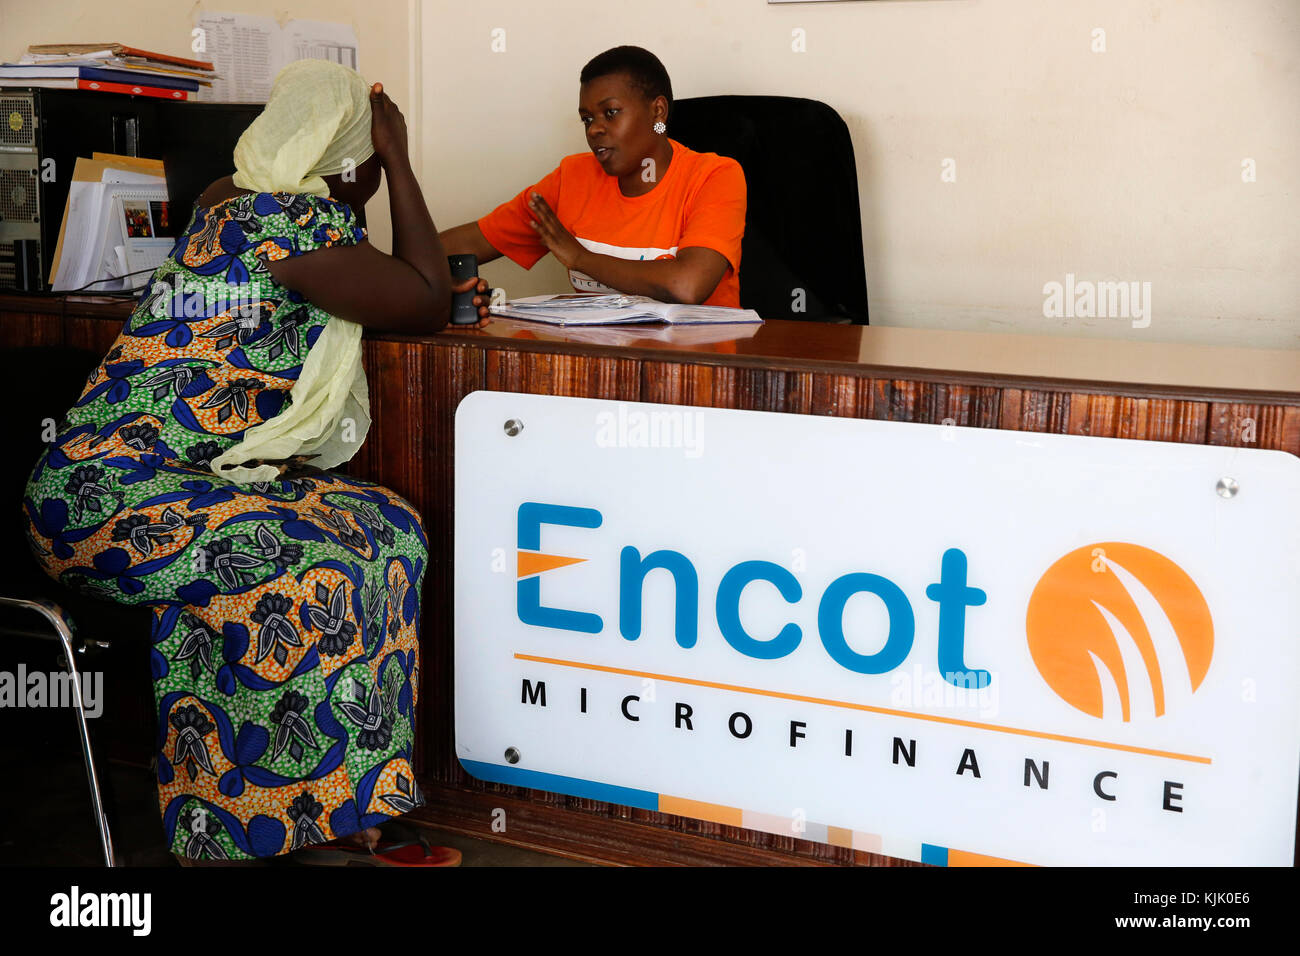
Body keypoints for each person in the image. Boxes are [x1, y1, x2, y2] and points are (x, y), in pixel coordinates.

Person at [21, 59, 478, 865]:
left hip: (182, 482)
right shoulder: (293, 227)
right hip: (105, 495)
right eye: (364, 150)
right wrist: (399, 161)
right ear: (346, 156)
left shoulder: (224, 203)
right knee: (305, 556)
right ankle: (266, 818)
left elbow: (389, 285)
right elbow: (426, 303)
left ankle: (337, 801)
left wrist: (364, 193)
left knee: (385, 524)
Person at [441, 45, 747, 308]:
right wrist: (421, 277)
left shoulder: (715, 176)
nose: (594, 129)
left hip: (700, 368)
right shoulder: (572, 178)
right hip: (600, 366)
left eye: (610, 113)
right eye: (586, 119)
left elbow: (686, 285)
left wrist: (580, 258)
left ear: (658, 112)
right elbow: (467, 242)